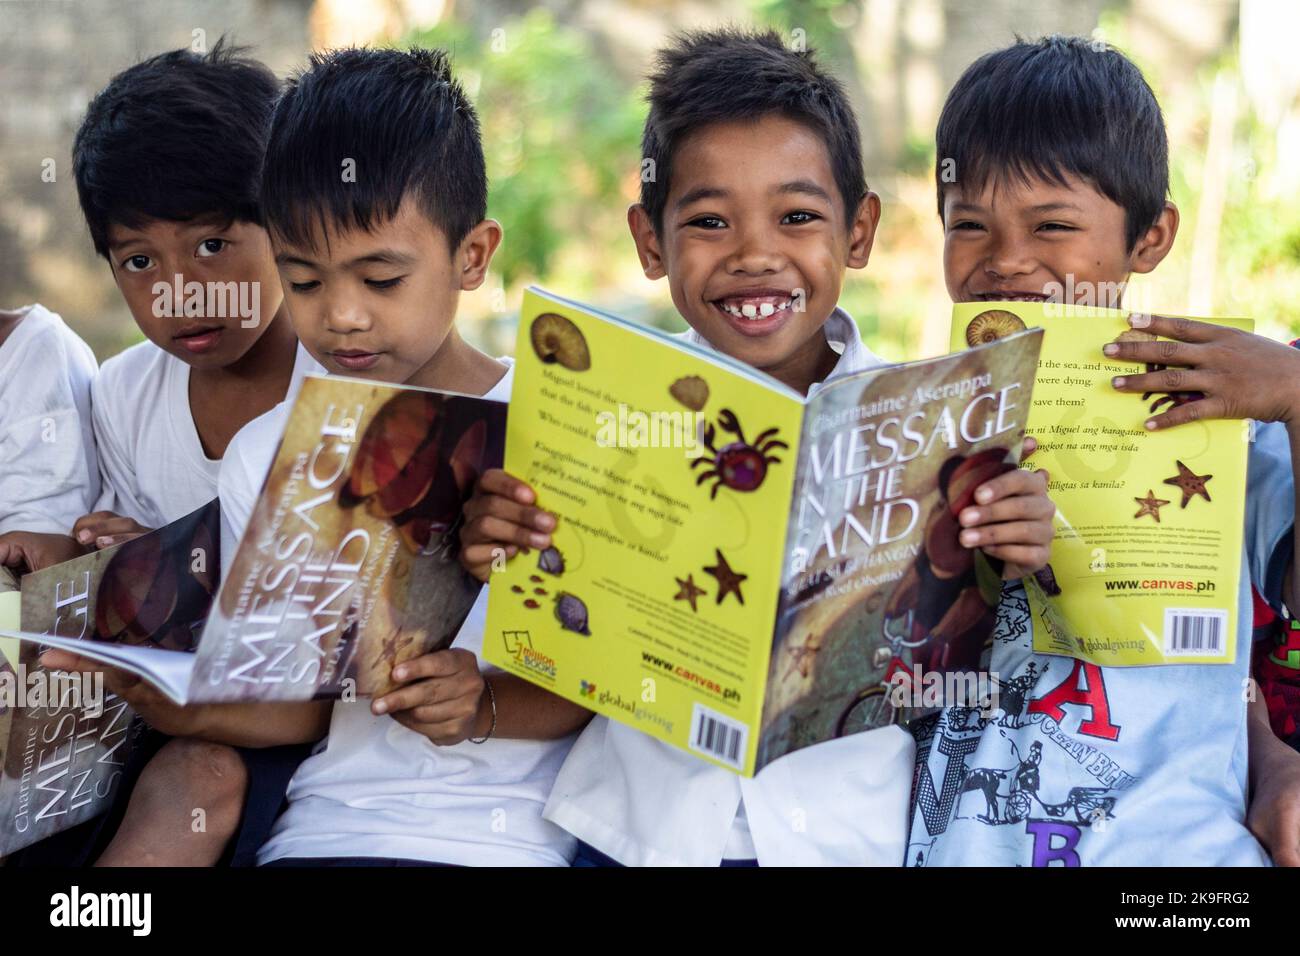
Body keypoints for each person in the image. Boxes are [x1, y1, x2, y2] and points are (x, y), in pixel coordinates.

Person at [459, 28, 1056, 866]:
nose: (754, 254)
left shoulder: (942, 423)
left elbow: (972, 661)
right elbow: (555, 641)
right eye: (709, 220)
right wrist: (504, 547)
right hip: (641, 837)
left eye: (798, 215)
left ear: (859, 231)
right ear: (650, 241)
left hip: (851, 840)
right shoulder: (598, 413)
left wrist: (1019, 545)